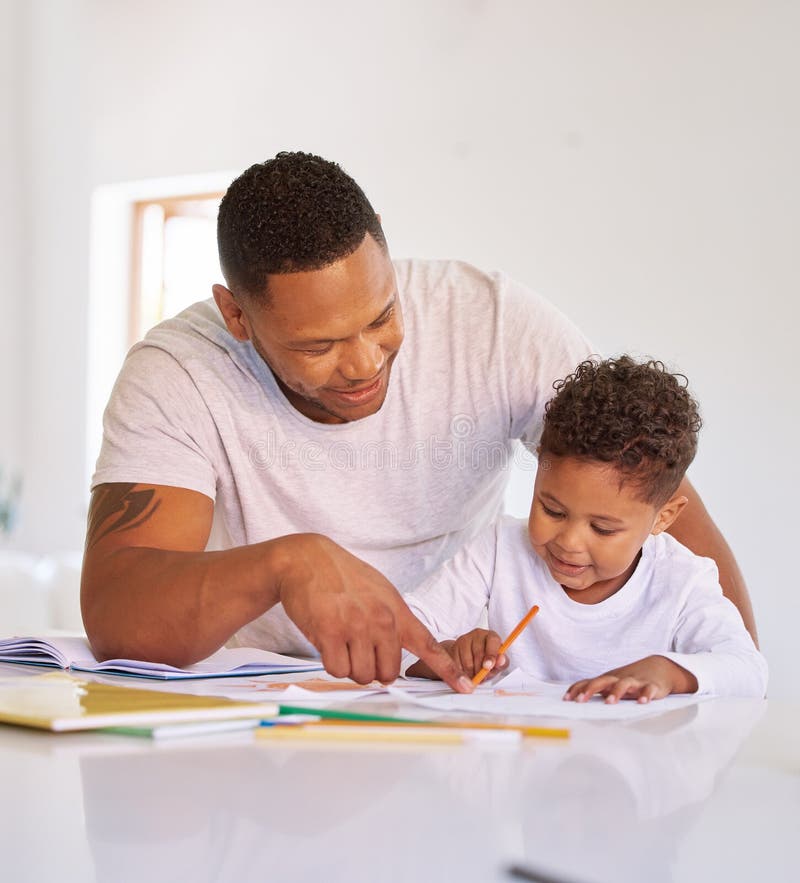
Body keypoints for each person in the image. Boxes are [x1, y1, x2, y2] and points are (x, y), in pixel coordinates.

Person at [81, 151, 758, 689]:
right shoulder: (179, 371)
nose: (365, 363)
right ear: (236, 316)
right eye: (318, 346)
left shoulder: (493, 325)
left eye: (382, 316)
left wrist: (722, 717)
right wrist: (286, 562)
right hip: (272, 696)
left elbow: (657, 502)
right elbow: (118, 617)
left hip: (447, 698)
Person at [405, 357, 767, 701]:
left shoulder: (682, 579)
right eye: (552, 510)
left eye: (603, 529)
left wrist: (669, 671)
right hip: (520, 759)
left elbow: (749, 670)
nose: (569, 542)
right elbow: (402, 631)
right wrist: (448, 655)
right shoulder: (499, 549)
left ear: (664, 517)